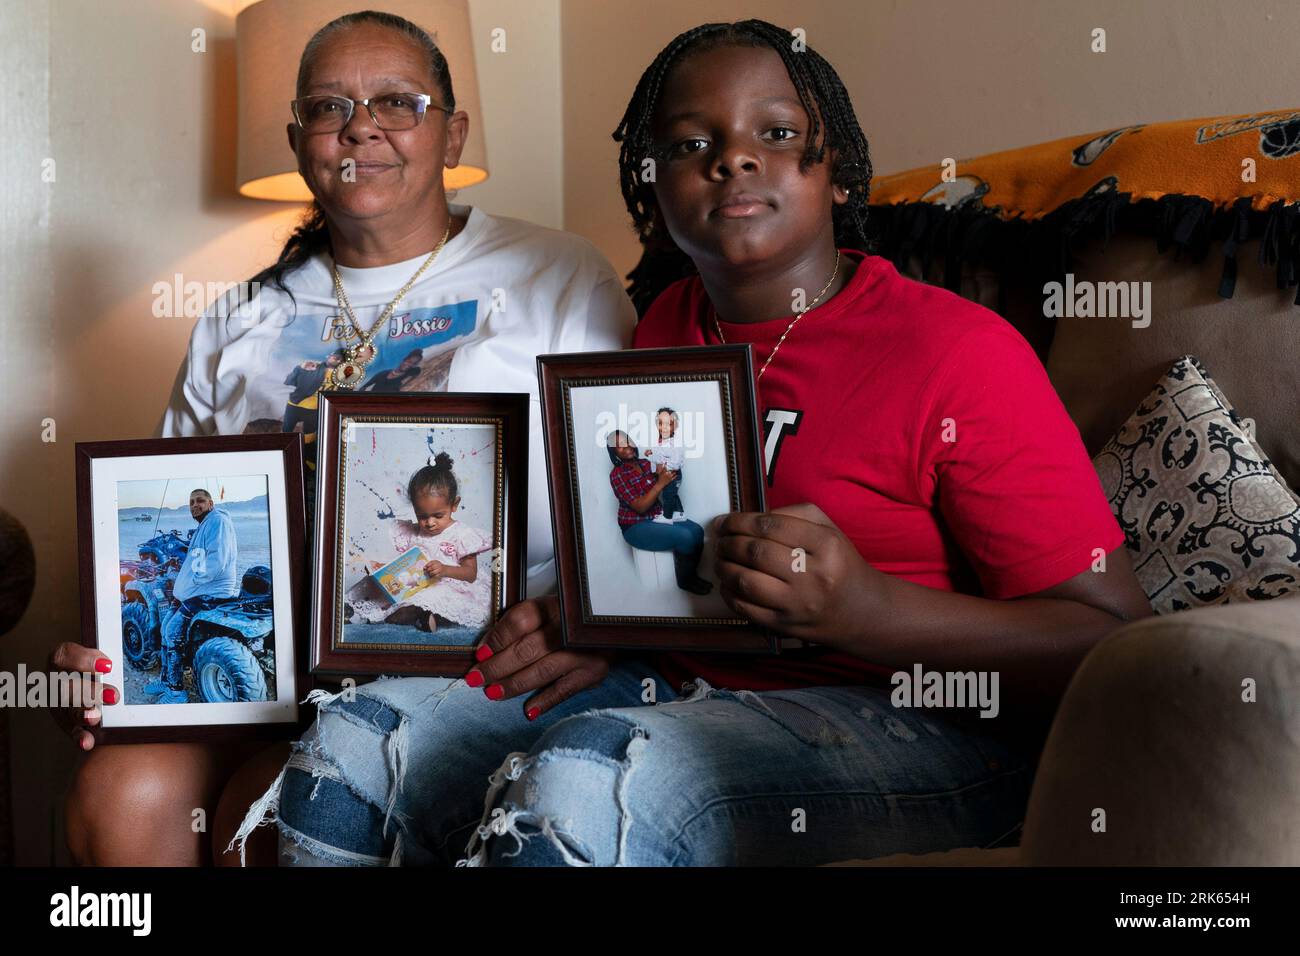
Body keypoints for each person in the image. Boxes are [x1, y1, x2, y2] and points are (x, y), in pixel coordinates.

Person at [238, 18, 1148, 868]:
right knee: (355, 744)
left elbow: (1114, 641)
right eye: (688, 145)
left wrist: (870, 610)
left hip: (919, 717)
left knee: (592, 776)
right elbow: (645, 552)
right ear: (653, 185)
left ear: (838, 169)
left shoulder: (957, 351)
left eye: (779, 133)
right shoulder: (660, 328)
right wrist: (589, 620)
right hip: (671, 684)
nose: (734, 158)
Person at [54, 10, 635, 866]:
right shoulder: (240, 316)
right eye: (330, 107)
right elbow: (156, 497)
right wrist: (105, 652)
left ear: (452, 131)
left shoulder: (559, 274)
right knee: (122, 790)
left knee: (268, 806)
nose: (362, 125)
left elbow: (625, 492)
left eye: (397, 101)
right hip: (267, 667)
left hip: (458, 666)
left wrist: (589, 624)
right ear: (299, 140)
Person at [349, 452, 493, 632]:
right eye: (422, 516)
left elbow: (470, 574)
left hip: (450, 587)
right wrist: (383, 568)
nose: (430, 523)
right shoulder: (414, 532)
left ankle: (426, 615)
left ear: (454, 505)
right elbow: (406, 565)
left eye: (438, 515)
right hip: (415, 585)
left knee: (432, 596)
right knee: (381, 591)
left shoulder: (462, 534)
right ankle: (362, 611)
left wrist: (445, 569)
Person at [143, 489, 239, 704]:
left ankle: (177, 692)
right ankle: (167, 681)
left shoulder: (217, 521)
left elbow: (217, 558)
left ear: (211, 504)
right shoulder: (204, 524)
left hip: (210, 593)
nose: (195, 505)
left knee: (173, 632)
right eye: (191, 502)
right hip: (195, 593)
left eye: (200, 501)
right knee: (165, 628)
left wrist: (194, 579)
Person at [606, 429, 711, 594]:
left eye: (628, 441)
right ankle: (686, 582)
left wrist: (669, 462)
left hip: (657, 517)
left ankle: (690, 574)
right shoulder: (617, 475)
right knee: (685, 537)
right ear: (613, 452)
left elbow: (667, 473)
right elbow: (640, 506)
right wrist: (660, 483)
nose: (626, 446)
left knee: (697, 531)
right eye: (619, 446)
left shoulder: (646, 463)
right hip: (635, 525)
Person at [644, 407, 686, 522]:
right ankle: (679, 513)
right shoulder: (660, 441)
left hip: (672, 474)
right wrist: (650, 453)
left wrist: (664, 467)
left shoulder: (675, 444)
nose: (665, 428)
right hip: (665, 473)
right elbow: (659, 456)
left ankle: (667, 517)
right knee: (672, 494)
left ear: (675, 426)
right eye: (661, 424)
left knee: (668, 495)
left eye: (669, 424)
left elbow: (676, 463)